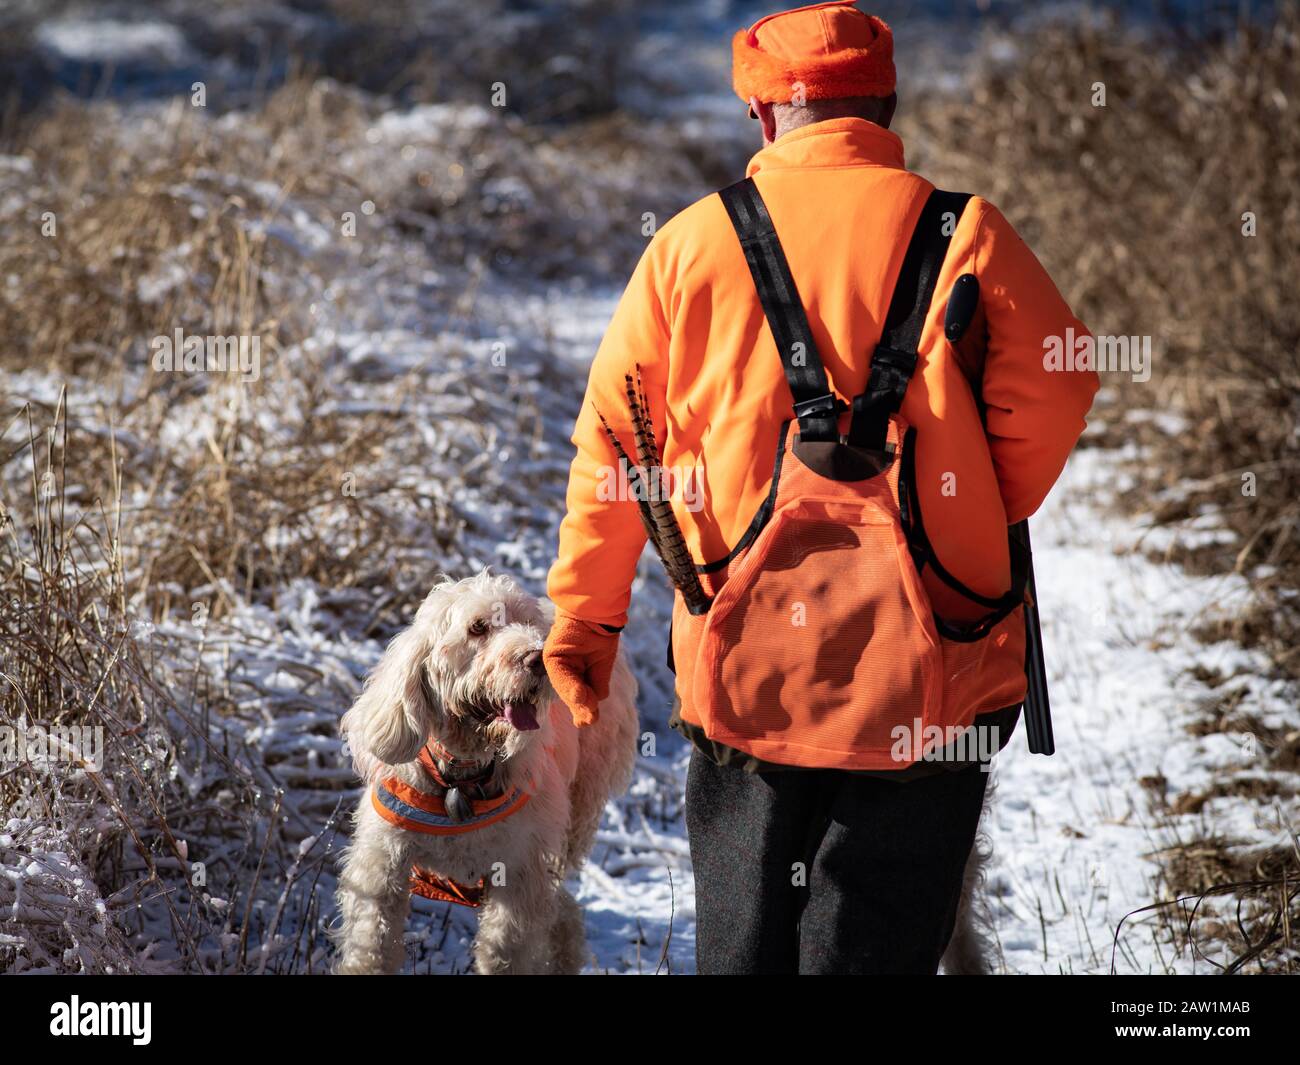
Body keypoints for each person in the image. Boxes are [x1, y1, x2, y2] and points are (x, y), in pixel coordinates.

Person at [543, 0, 1098, 974]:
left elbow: (617, 447)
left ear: (762, 115)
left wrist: (586, 624)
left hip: (744, 665)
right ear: (885, 108)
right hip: (939, 665)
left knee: (746, 947)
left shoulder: (688, 246)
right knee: (874, 948)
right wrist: (967, 509)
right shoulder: (965, 231)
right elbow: (1059, 374)